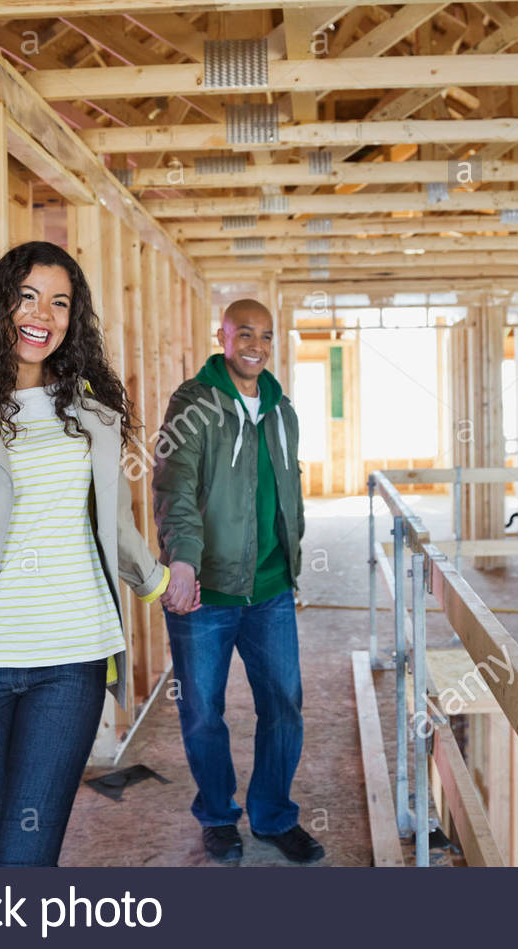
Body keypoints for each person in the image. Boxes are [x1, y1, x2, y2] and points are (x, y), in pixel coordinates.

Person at [0, 240, 196, 866]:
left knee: (25, 856)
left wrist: (155, 579)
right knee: (13, 852)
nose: (42, 314)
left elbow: (110, 524)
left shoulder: (90, 412)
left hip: (73, 656)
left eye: (59, 302)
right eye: (27, 296)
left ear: (72, 318)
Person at [152, 298, 322, 865]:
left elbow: (288, 493)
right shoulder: (194, 403)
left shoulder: (282, 410)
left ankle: (273, 815)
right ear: (222, 336)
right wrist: (182, 560)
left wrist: (293, 560)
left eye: (266, 336)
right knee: (203, 711)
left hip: (270, 587)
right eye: (244, 333)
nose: (256, 345)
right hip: (207, 591)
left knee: (284, 706)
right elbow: (174, 487)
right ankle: (219, 817)